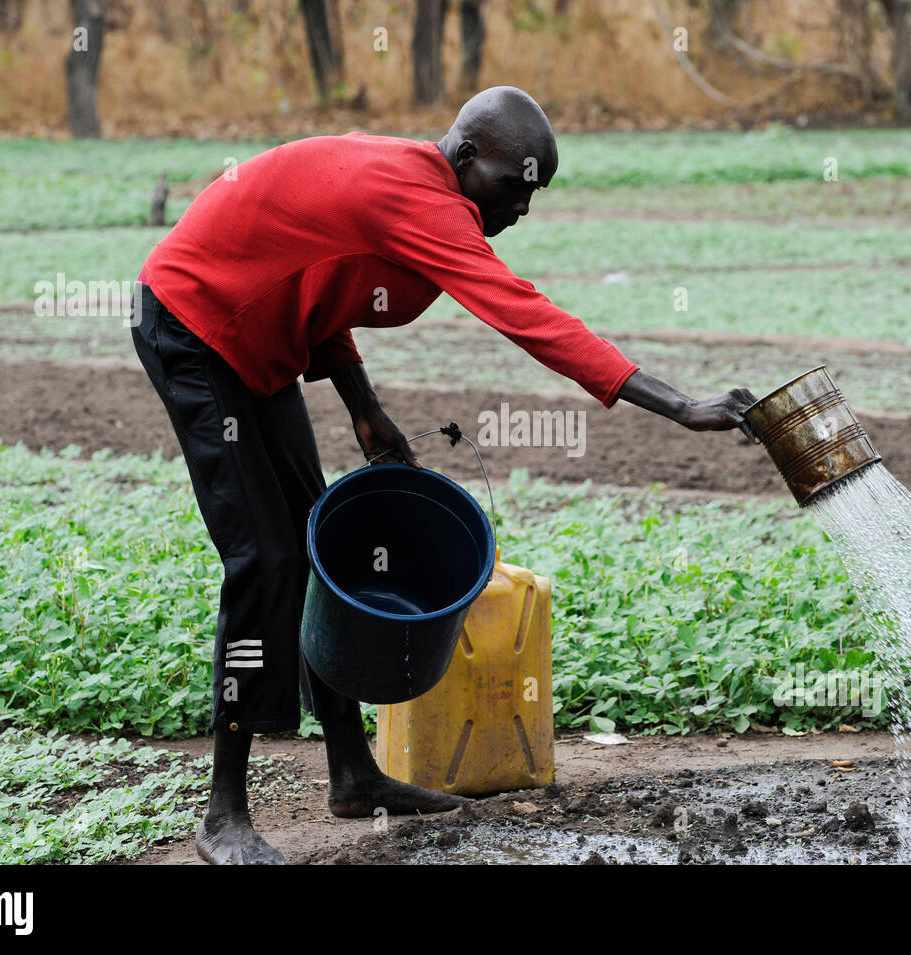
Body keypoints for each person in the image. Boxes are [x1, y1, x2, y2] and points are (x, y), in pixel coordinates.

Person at [130, 85, 757, 865]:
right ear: (464, 157)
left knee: (321, 549)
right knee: (267, 561)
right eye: (512, 184)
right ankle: (223, 811)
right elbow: (525, 314)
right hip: (194, 326)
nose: (522, 208)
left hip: (256, 342)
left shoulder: (415, 185)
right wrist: (679, 403)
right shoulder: (422, 201)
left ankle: (354, 775)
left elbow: (320, 282)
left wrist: (364, 406)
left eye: (533, 193)